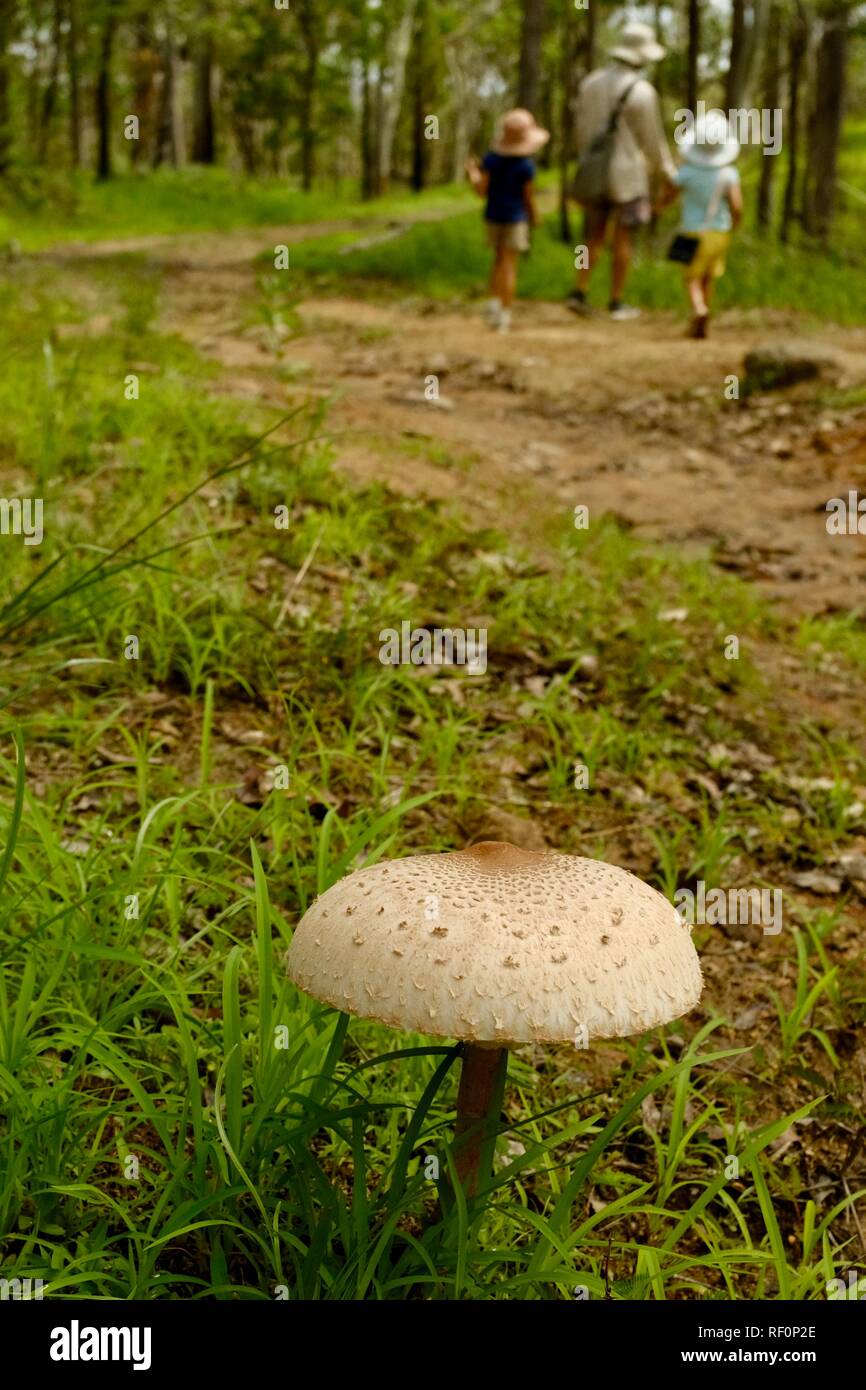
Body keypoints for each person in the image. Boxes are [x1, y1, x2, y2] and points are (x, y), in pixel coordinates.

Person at [568, 22, 676, 322]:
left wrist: (586, 163)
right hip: (628, 176)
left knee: (593, 235)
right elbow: (653, 140)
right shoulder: (642, 91)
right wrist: (667, 173)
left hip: (594, 172)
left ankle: (580, 291)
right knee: (623, 237)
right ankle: (616, 301)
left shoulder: (590, 83)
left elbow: (581, 131)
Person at [656, 112, 743, 339]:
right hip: (719, 232)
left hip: (691, 231)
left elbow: (669, 195)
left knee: (690, 277)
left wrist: (657, 208)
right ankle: (703, 314)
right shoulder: (729, 174)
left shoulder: (686, 173)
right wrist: (736, 224)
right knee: (708, 276)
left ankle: (699, 308)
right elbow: (737, 205)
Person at [466, 108, 549, 333]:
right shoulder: (526, 166)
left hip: (493, 216)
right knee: (509, 265)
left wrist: (472, 173)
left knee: (498, 260)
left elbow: (481, 191)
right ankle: (504, 313)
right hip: (515, 219)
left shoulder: (491, 160)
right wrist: (535, 216)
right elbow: (528, 197)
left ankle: (493, 304)